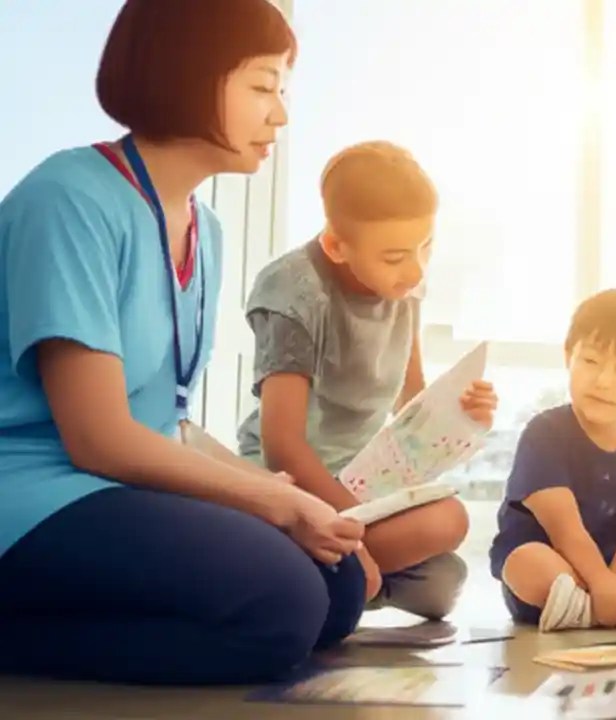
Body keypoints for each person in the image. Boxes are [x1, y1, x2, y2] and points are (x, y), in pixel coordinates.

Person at [0, 0, 367, 685]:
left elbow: (167, 421)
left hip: (110, 484)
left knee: (338, 587)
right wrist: (276, 503)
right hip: (32, 488)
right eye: (263, 86)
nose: (280, 116)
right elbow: (100, 437)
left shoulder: (206, 230)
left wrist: (272, 487)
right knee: (282, 608)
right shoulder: (70, 198)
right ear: (188, 75)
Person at [237, 141, 493, 619]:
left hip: (358, 481)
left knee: (444, 579)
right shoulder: (293, 291)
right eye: (396, 256)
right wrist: (350, 527)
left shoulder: (403, 284)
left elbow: (410, 401)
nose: (415, 269)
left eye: (426, 246)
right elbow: (281, 444)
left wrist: (461, 415)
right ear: (336, 245)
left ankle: (323, 579)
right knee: (438, 548)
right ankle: (313, 571)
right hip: (289, 485)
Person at [489, 289, 616, 632]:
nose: (603, 382)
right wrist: (602, 583)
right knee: (527, 562)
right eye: (590, 361)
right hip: (556, 569)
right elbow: (565, 530)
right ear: (568, 356)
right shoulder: (545, 432)